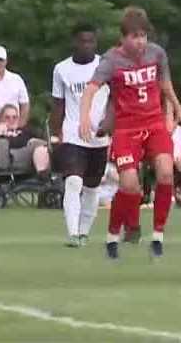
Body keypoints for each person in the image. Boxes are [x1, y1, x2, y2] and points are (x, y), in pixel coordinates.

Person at [79, 7, 181, 260]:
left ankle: (158, 236)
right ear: (123, 38)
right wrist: (84, 117)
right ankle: (114, 235)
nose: (140, 41)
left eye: (143, 36)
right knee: (129, 184)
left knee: (166, 172)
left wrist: (178, 109)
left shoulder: (156, 53)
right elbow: (90, 89)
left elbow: (165, 84)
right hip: (126, 128)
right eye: (134, 36)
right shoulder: (111, 60)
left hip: (153, 123)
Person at [51, 23, 111, 247]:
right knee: (73, 181)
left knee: (92, 187)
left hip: (98, 136)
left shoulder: (105, 66)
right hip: (73, 135)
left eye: (91, 41)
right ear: (74, 42)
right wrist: (56, 135)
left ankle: (84, 232)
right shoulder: (61, 69)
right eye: (82, 41)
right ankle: (73, 233)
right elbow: (58, 104)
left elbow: (115, 99)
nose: (87, 45)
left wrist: (109, 123)